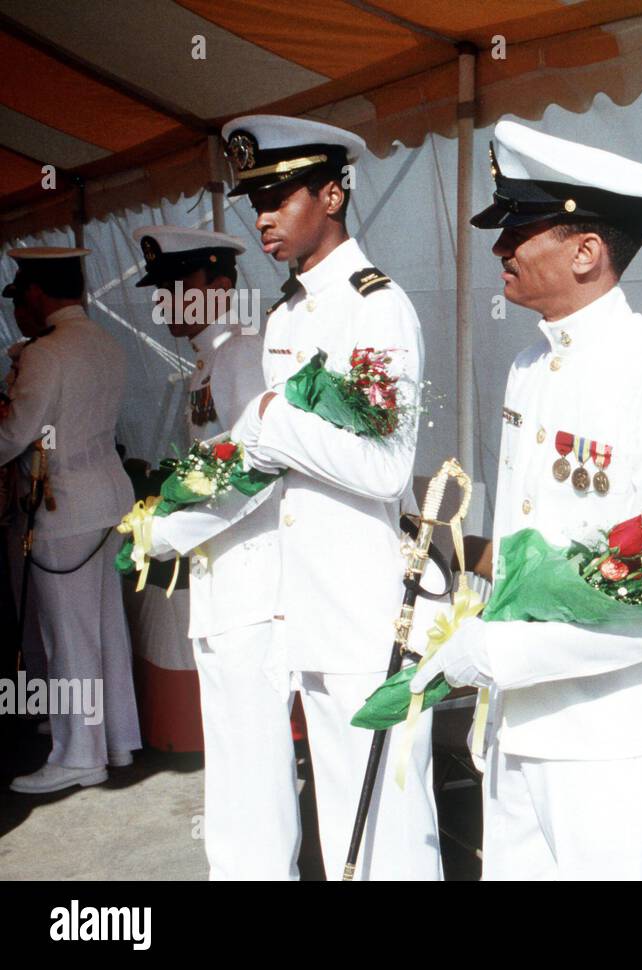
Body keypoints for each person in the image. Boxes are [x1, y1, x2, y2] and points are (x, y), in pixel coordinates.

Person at [411, 121, 642, 880]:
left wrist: (493, 653)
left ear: (586, 251)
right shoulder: (529, 362)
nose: (499, 249)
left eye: (519, 228)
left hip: (607, 733)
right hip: (519, 724)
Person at [220, 114, 439, 881]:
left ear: (334, 194)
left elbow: (385, 468)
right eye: (256, 201)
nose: (263, 217)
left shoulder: (375, 308)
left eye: (280, 196)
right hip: (304, 595)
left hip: (362, 596)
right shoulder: (285, 313)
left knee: (389, 816)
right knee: (342, 810)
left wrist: (275, 426)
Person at [131, 225, 299, 879]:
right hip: (226, 580)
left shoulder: (239, 354)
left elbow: (258, 471)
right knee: (230, 752)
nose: (164, 304)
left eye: (176, 288)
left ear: (218, 285)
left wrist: (170, 531)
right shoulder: (212, 356)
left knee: (252, 756)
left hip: (254, 582)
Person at [2, 247, 141, 794]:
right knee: (106, 630)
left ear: (36, 293)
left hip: (64, 506)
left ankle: (79, 756)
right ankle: (116, 740)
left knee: (68, 639)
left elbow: (16, 432)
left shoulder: (46, 353)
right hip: (108, 500)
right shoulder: (105, 342)